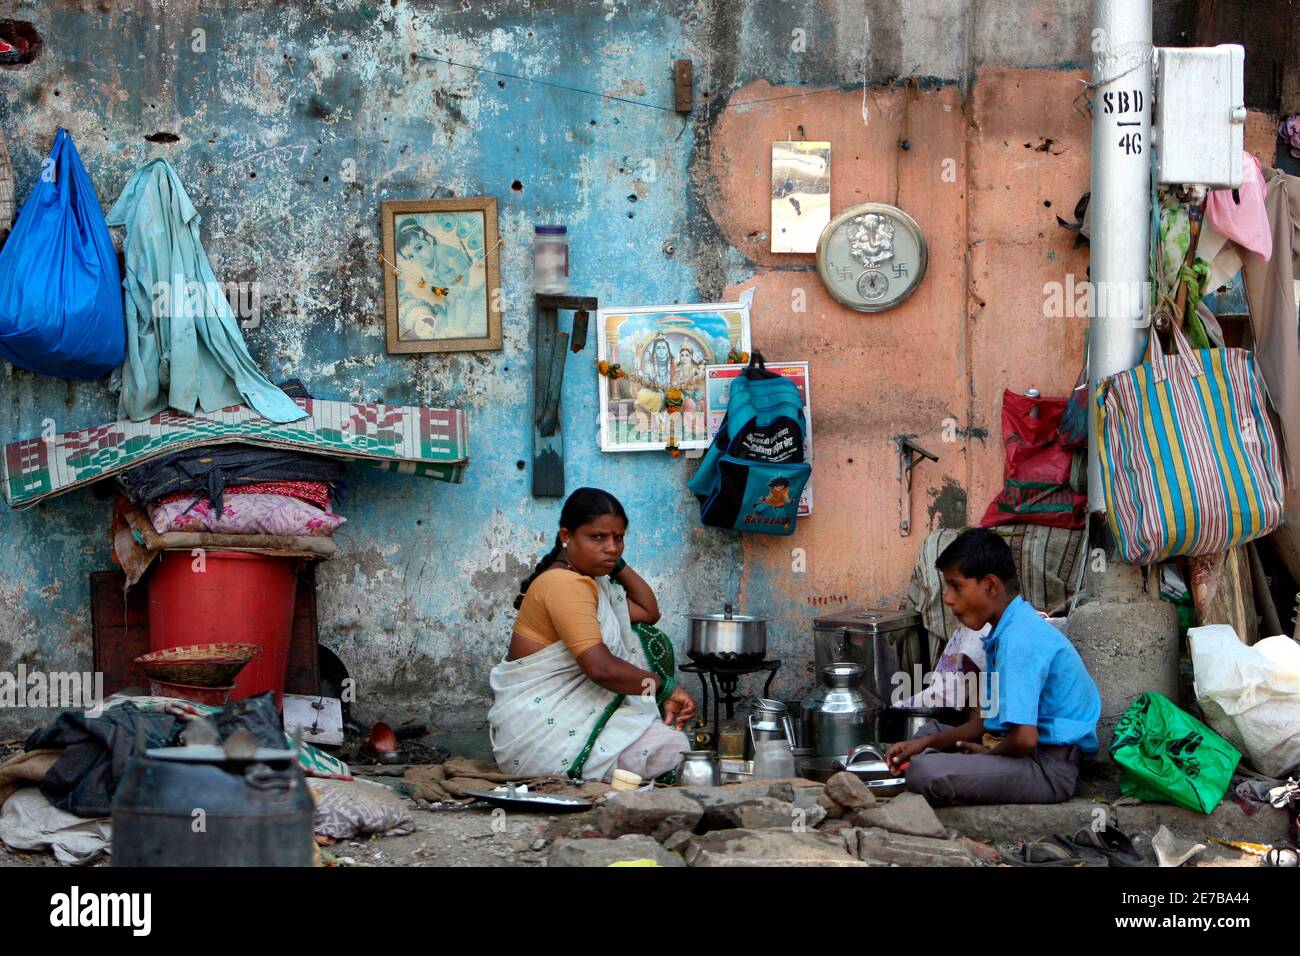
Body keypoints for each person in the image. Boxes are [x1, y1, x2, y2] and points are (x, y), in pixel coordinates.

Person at [488, 488, 696, 782]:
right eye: (597, 537)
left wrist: (614, 563)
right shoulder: (565, 584)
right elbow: (601, 668)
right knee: (672, 749)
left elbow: (648, 612)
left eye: (618, 538)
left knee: (648, 637)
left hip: (558, 724)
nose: (611, 547)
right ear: (566, 536)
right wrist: (665, 688)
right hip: (542, 735)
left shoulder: (593, 582)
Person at [886, 528, 1101, 806]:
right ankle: (952, 763)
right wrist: (926, 744)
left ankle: (959, 771)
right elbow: (992, 721)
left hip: (1046, 770)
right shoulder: (1008, 628)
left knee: (923, 770)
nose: (948, 598)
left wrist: (988, 756)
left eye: (956, 586)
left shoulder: (1019, 639)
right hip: (1024, 752)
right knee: (927, 735)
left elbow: (1023, 739)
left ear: (990, 586)